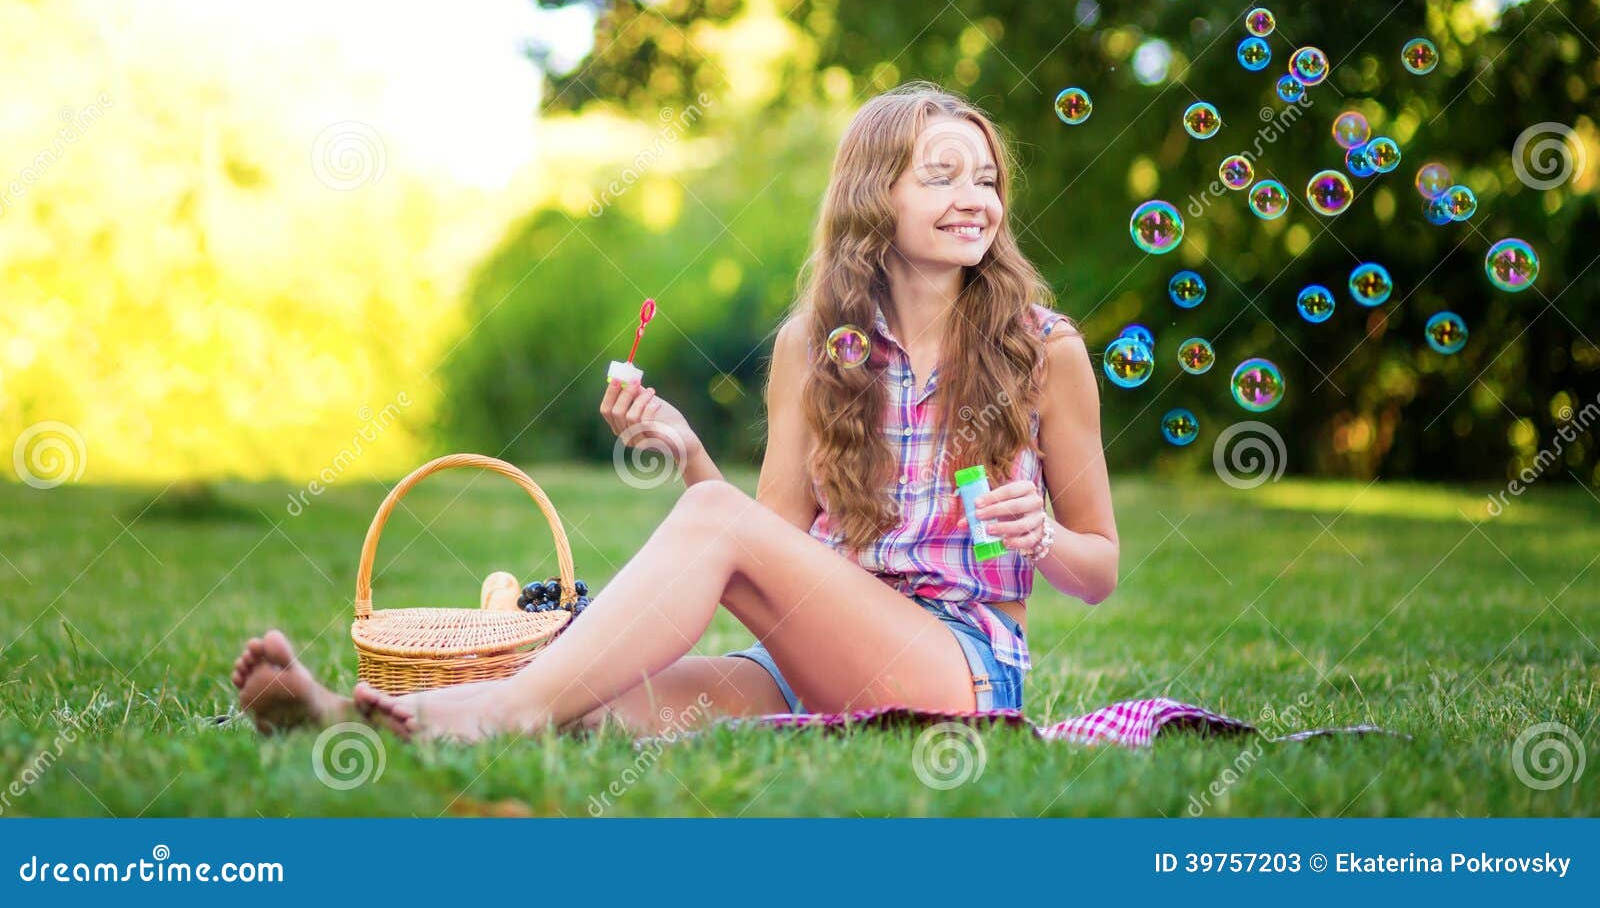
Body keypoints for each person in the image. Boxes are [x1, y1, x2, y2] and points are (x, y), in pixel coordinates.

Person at [231, 81, 1119, 743]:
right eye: (941, 175)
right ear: (875, 194)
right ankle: (353, 716)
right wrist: (693, 455)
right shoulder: (813, 345)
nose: (975, 198)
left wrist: (1039, 532)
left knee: (555, 690)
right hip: (803, 662)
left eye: (986, 178)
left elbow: (1099, 568)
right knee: (599, 709)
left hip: (956, 669)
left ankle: (480, 711)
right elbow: (763, 553)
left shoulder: (1043, 352)